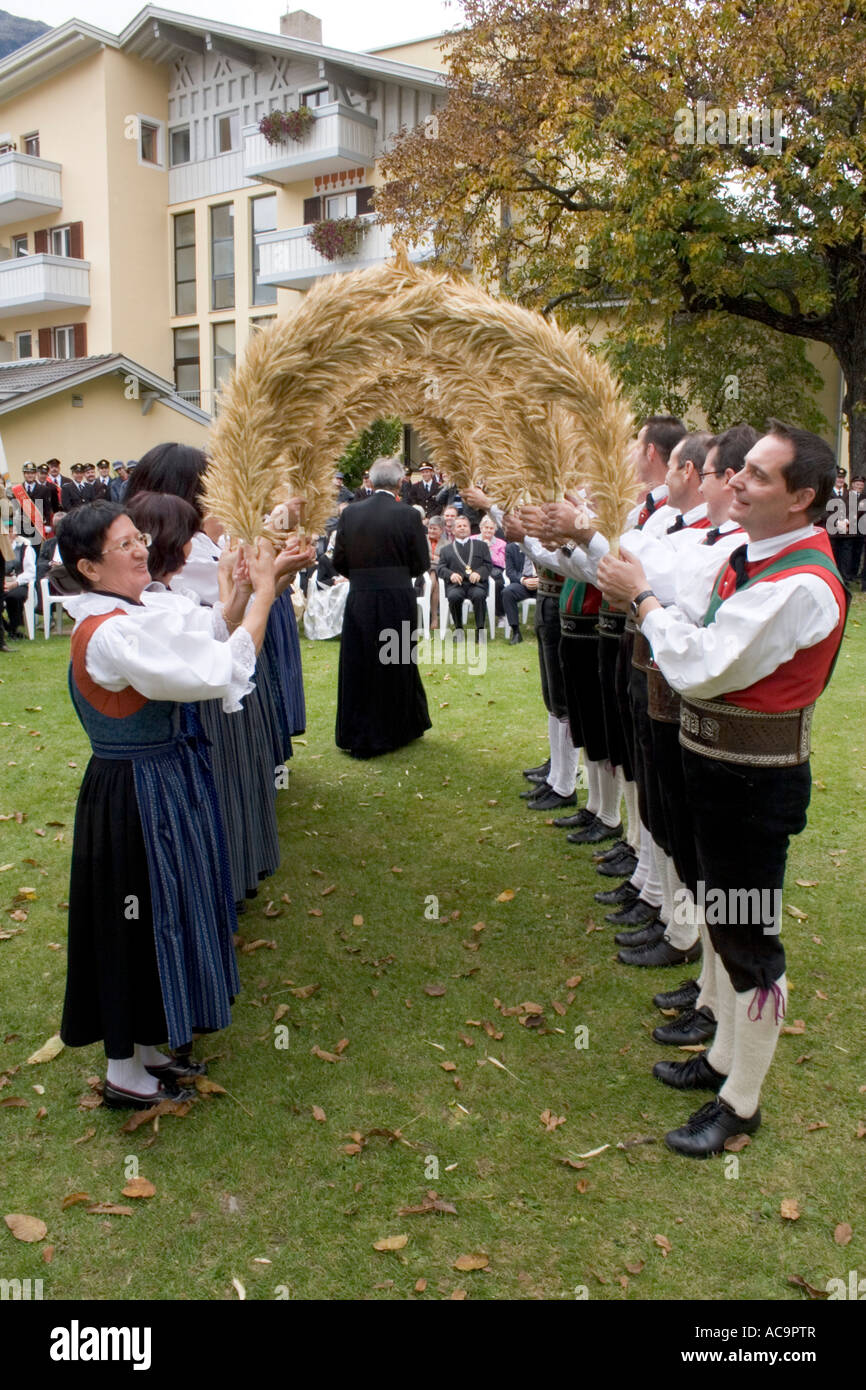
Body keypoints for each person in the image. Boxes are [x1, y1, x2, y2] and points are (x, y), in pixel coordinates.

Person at [598, 421, 848, 1155]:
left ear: (802, 498)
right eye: (742, 471)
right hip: (719, 768)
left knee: (748, 939)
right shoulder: (749, 554)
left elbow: (706, 663)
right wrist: (597, 545)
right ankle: (721, 1062)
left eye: (759, 476)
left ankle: (742, 1103)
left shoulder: (800, 583)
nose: (736, 478)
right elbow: (667, 574)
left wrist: (641, 600)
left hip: (754, 784)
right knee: (722, 914)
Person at [58, 500, 278, 1109]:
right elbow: (214, 672)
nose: (139, 550)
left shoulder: (134, 612)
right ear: (89, 567)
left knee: (168, 910)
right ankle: (124, 1072)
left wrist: (235, 595)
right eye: (124, 545)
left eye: (139, 538)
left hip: (162, 783)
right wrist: (260, 598)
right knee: (134, 920)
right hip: (134, 794)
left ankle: (150, 1048)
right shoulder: (110, 632)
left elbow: (196, 636)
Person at [332, 454, 432, 757]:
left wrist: (364, 579)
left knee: (360, 661)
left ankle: (359, 732)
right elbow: (422, 563)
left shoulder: (350, 514)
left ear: (371, 482)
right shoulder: (409, 515)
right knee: (397, 659)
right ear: (401, 482)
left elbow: (339, 561)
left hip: (361, 595)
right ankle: (398, 728)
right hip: (398, 596)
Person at [437, 513, 492, 633]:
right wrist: (451, 574)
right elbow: (440, 568)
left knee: (479, 595)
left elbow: (488, 565)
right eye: (459, 526)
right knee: (453, 596)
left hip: (476, 584)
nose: (462, 528)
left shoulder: (481, 546)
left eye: (465, 526)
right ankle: (458, 629)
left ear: (470, 528)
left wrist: (478, 573)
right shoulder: (446, 550)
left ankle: (480, 630)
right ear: (453, 530)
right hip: (456, 585)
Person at [502, 541, 538, 643]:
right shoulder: (511, 547)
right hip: (522, 583)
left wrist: (540, 580)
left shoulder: (540, 545)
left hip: (540, 583)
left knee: (551, 594)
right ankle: (516, 632)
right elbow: (510, 571)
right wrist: (524, 580)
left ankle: (546, 630)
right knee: (507, 592)